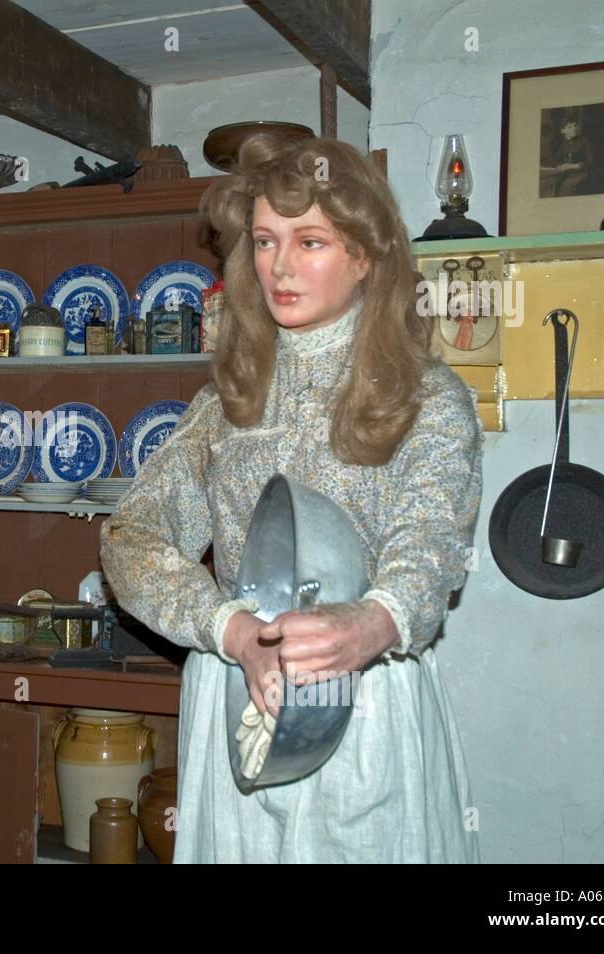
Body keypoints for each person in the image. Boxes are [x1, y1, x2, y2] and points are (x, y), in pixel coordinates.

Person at [100, 134, 481, 863]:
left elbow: (430, 542)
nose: (279, 265)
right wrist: (229, 628)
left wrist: (373, 622)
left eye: (310, 241)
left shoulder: (427, 397)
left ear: (366, 255)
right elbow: (131, 535)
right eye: (265, 241)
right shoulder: (225, 404)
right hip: (236, 690)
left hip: (364, 696)